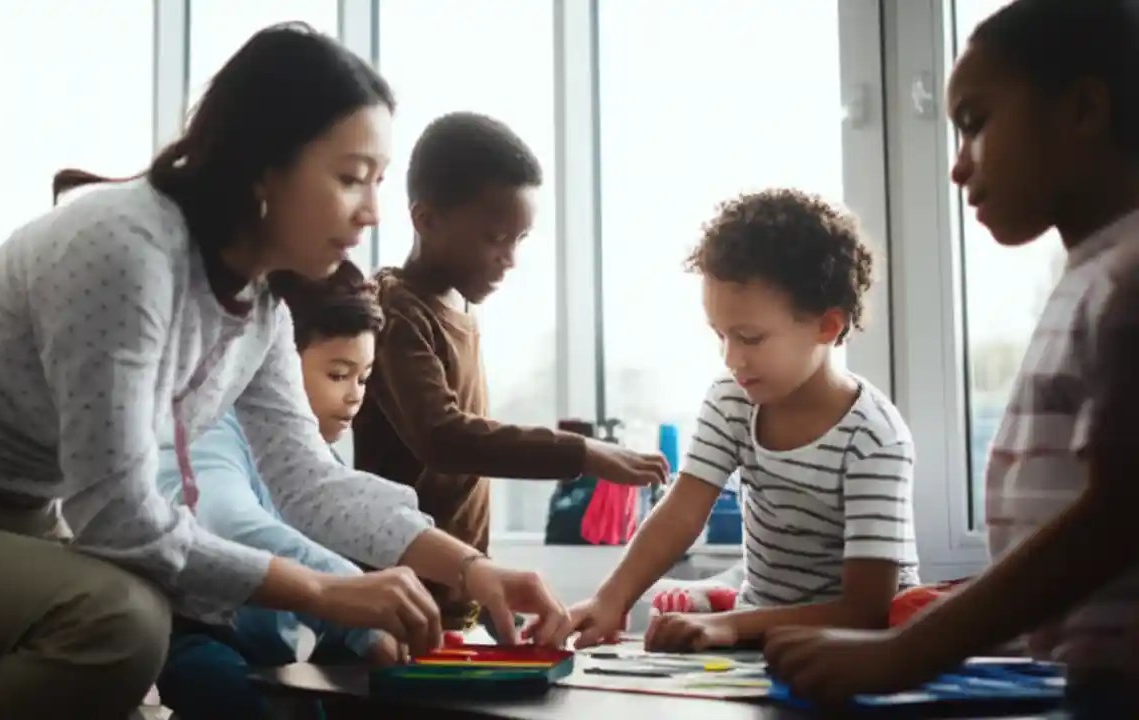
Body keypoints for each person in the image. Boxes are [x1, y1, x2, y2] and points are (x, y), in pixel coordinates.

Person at [0, 24, 569, 720]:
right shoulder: (126, 247)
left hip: (12, 517)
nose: (371, 213)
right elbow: (119, 519)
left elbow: (307, 480)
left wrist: (470, 569)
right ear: (264, 164)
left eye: (379, 181)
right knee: (121, 625)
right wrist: (323, 592)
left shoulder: (258, 312)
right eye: (352, 177)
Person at [764, 0, 1139, 714]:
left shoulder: (1130, 277)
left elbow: (1117, 515)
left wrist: (905, 651)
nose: (958, 168)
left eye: (975, 123)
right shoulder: (1095, 276)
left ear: (1084, 109)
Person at [353, 111, 669, 630]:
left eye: (519, 240)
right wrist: (584, 453)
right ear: (426, 219)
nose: (509, 260)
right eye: (496, 238)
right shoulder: (396, 310)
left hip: (457, 598)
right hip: (395, 603)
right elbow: (444, 438)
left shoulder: (460, 308)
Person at [570, 189, 919, 651]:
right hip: (761, 627)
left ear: (827, 327)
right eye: (720, 336)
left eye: (750, 338)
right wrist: (609, 599)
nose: (732, 358)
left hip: (856, 643)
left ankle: (718, 601)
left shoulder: (875, 438)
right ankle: (721, 600)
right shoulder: (733, 399)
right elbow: (683, 510)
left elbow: (867, 609)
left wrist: (731, 625)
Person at [148, 261, 390, 719]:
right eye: (338, 375)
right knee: (234, 691)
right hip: (195, 631)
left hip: (269, 648)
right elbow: (230, 522)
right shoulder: (215, 426)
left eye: (363, 377)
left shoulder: (324, 462)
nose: (356, 394)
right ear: (274, 357)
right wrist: (353, 598)